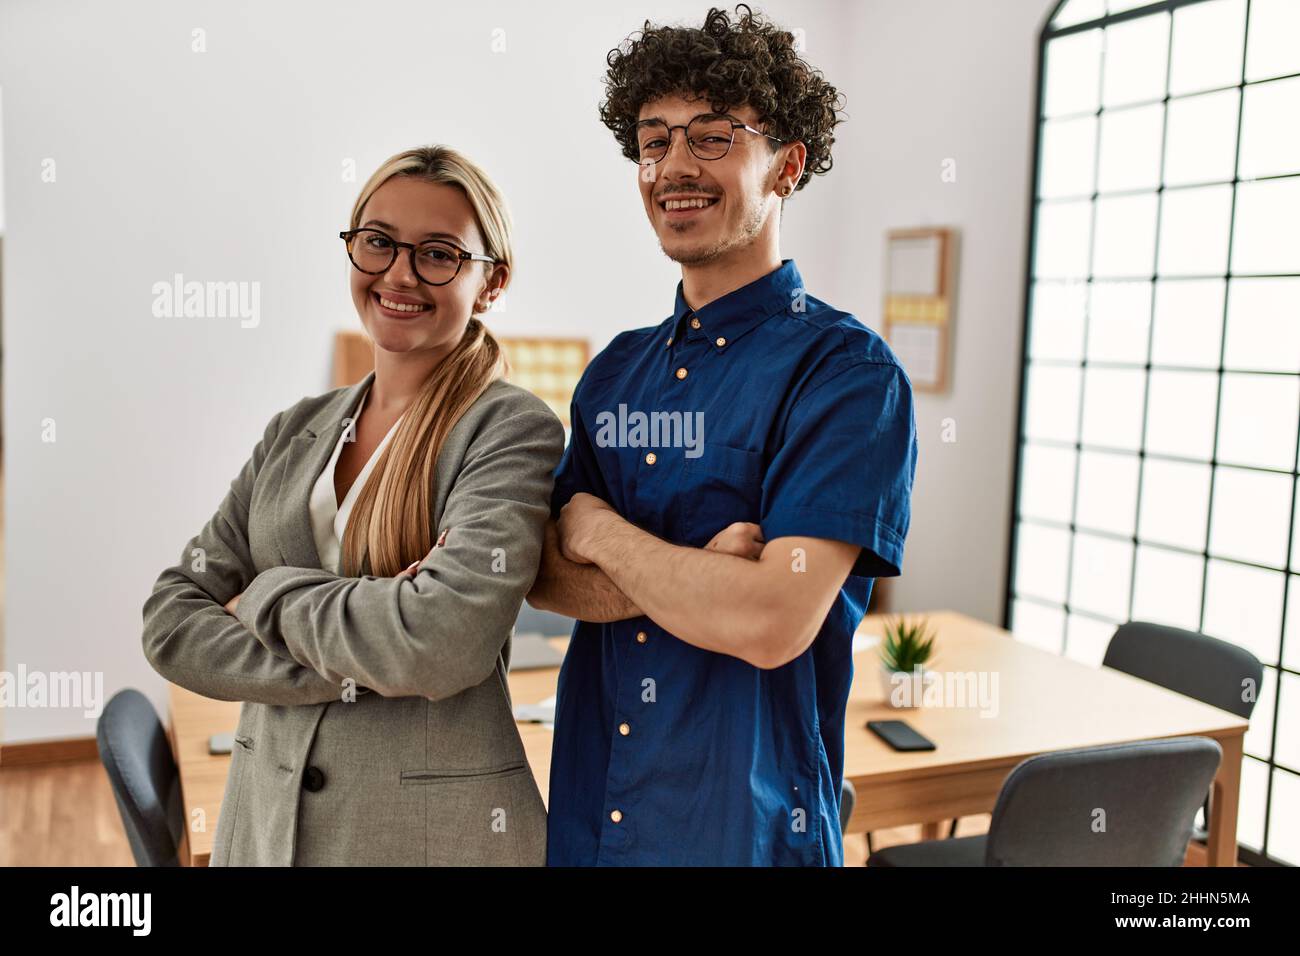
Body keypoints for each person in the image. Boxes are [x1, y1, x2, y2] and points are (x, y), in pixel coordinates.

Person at [529, 5, 918, 866]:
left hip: (741, 832)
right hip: (592, 814)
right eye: (653, 138)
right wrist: (693, 572)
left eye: (711, 137)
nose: (672, 166)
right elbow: (546, 576)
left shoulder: (848, 377)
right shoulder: (614, 374)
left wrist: (603, 534)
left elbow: (773, 620)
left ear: (786, 165)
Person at [142, 145, 564, 866]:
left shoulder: (510, 430)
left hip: (430, 839)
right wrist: (370, 653)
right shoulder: (294, 429)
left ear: (492, 281)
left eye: (438, 253)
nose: (399, 273)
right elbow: (172, 621)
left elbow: (442, 642)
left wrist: (266, 596)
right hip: (266, 828)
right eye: (378, 242)